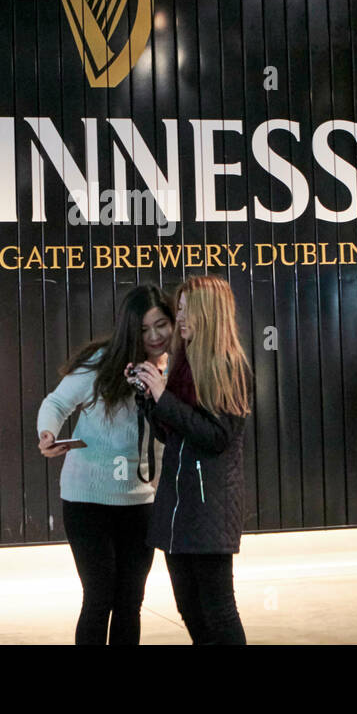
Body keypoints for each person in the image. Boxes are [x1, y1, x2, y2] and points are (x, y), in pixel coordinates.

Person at [36, 284, 174, 644]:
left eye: (162, 324)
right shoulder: (101, 363)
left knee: (130, 601)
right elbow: (56, 403)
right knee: (99, 598)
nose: (155, 336)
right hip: (87, 500)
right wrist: (48, 434)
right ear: (130, 329)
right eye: (144, 329)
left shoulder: (178, 370)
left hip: (142, 500)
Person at [132, 274, 253, 644]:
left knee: (218, 609)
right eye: (178, 308)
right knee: (189, 607)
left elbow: (216, 437)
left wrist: (162, 395)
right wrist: (147, 396)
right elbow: (171, 434)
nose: (179, 317)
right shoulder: (183, 366)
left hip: (209, 507)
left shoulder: (229, 366)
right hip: (179, 506)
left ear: (208, 313)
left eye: (186, 309)